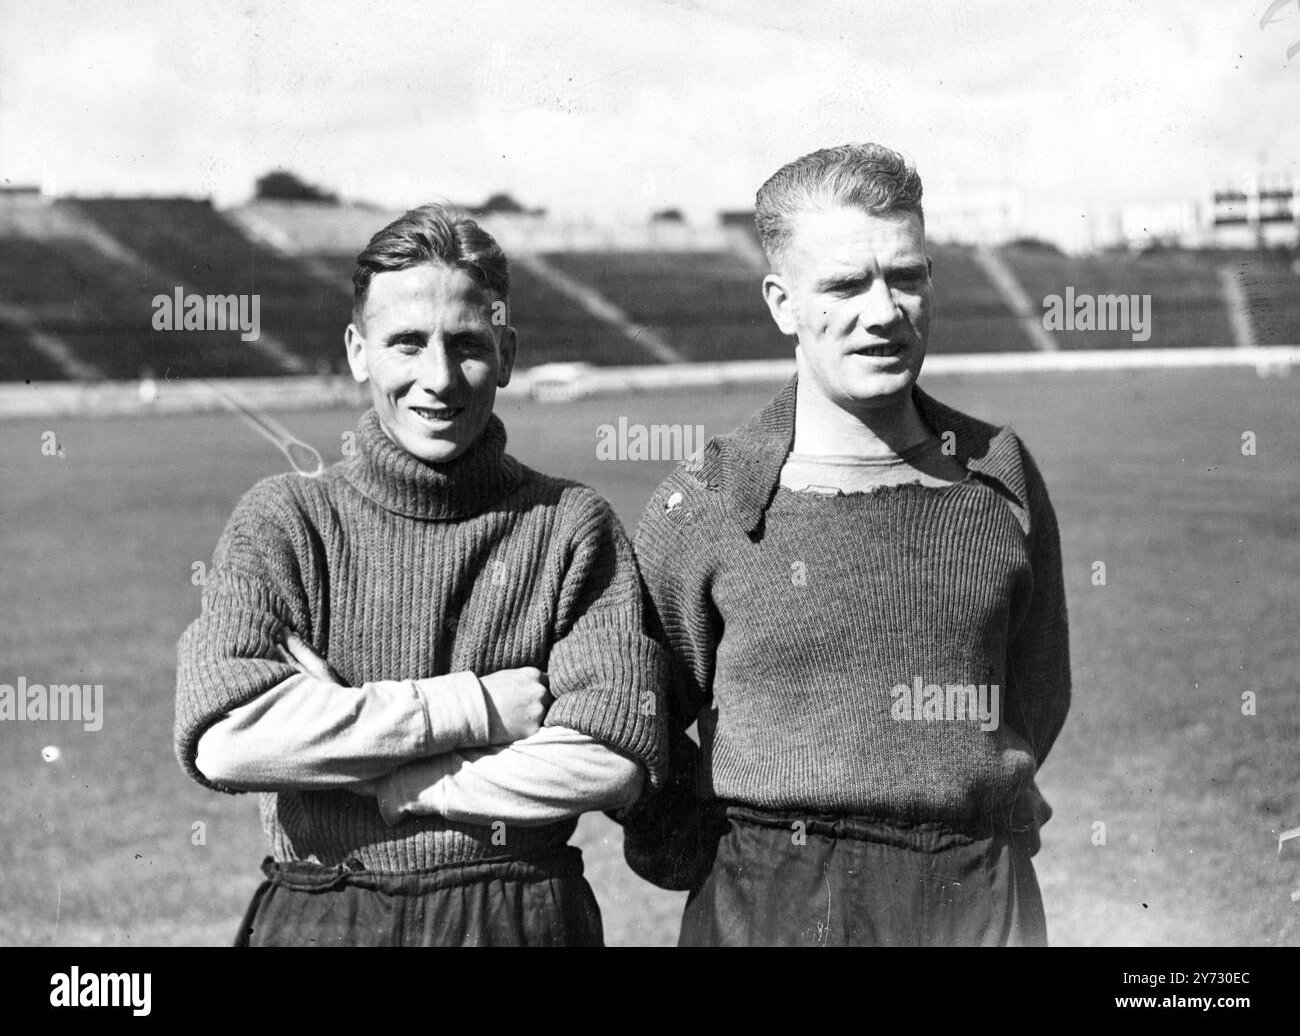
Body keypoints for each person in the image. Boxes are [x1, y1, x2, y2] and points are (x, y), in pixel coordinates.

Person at [175, 203, 666, 947]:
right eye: (406, 343)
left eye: (466, 344)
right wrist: (470, 710)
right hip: (324, 912)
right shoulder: (287, 519)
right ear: (357, 351)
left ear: (506, 353)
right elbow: (230, 740)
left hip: (516, 916)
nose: (438, 378)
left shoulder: (569, 523)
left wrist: (389, 780)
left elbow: (611, 759)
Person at [619, 143, 1071, 946]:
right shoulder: (710, 499)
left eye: (906, 276)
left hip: (972, 895)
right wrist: (718, 840)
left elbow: (1037, 693)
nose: (884, 311)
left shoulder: (998, 475)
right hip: (770, 899)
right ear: (781, 302)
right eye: (845, 284)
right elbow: (637, 711)